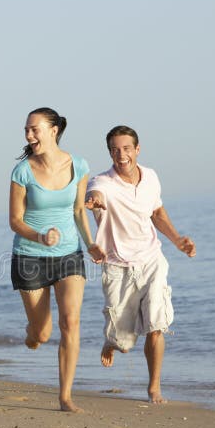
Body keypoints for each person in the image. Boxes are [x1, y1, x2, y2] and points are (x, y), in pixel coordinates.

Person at [85, 125, 196, 404]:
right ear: (109, 153)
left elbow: (156, 212)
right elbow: (96, 195)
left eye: (126, 148)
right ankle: (112, 342)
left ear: (137, 149)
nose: (121, 155)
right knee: (123, 342)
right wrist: (94, 201)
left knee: (156, 324)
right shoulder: (102, 182)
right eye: (114, 150)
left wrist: (177, 240)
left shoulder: (151, 177)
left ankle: (154, 387)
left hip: (151, 260)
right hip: (118, 267)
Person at [9, 107, 104, 412]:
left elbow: (77, 210)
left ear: (53, 130)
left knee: (70, 322)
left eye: (34, 129)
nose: (29, 135)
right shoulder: (22, 171)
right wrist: (39, 237)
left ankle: (65, 396)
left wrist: (91, 244)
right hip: (30, 256)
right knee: (43, 332)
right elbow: (15, 220)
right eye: (26, 130)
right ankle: (32, 334)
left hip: (69, 254)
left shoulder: (79, 165)